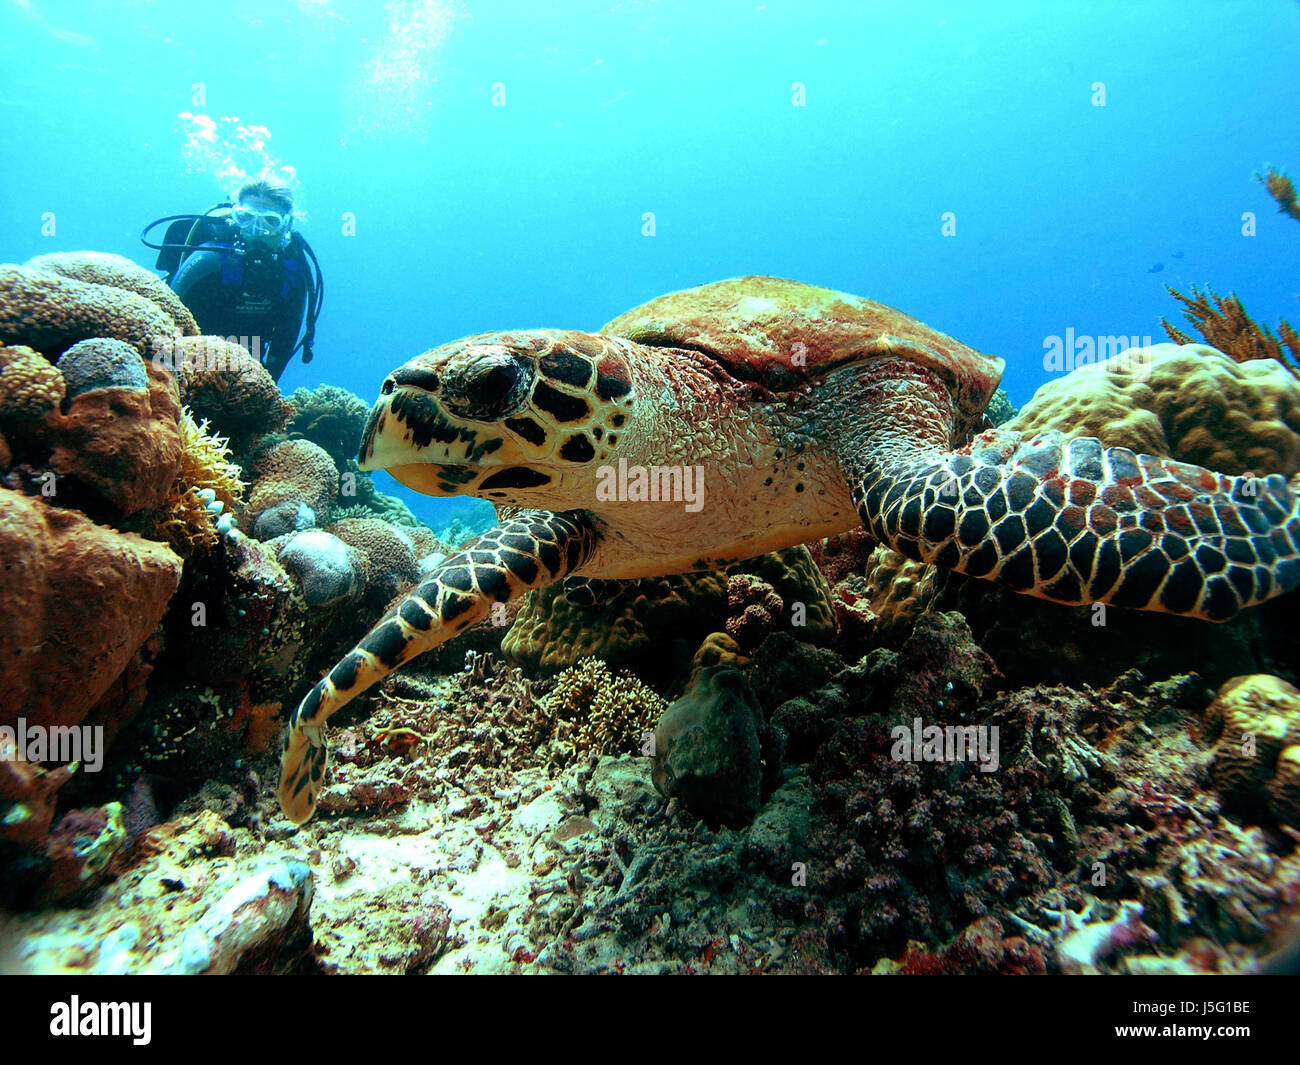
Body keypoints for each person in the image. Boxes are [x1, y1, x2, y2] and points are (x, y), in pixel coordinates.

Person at [142, 176, 323, 382]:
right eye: (246, 218)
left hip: (245, 364)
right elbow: (165, 321)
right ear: (234, 216)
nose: (256, 231)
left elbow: (285, 341)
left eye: (270, 221)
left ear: (286, 226)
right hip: (183, 357)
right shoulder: (208, 258)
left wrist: (263, 394)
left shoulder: (292, 274)